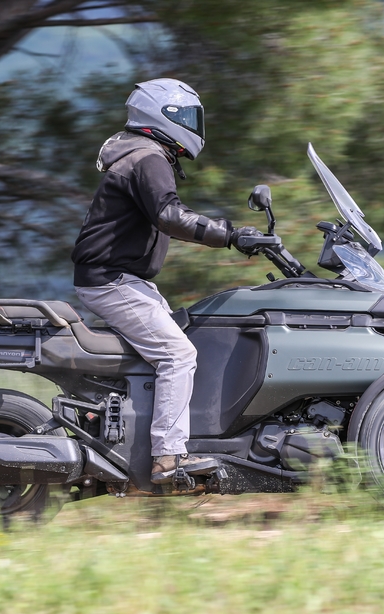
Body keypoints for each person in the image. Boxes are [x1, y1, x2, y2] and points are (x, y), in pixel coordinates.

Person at [71, 78, 261, 485]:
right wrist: (230, 234)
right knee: (178, 355)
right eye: (187, 116)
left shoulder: (139, 154)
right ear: (163, 115)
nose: (193, 125)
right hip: (111, 281)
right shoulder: (147, 157)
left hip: (123, 280)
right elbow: (170, 216)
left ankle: (141, 447)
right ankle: (168, 459)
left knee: (179, 345)